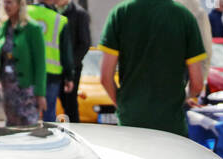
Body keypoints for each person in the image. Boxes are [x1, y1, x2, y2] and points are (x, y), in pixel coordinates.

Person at [99, 0, 205, 138]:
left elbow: (105, 78)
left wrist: (123, 105)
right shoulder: (185, 17)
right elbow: (197, 84)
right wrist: (182, 97)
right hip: (172, 127)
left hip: (131, 123)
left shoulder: (120, 13)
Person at [0, 0, 45, 127]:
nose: (6, 6)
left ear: (19, 4)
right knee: (11, 126)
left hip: (25, 89)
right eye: (5, 3)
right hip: (7, 88)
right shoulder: (3, 26)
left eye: (10, 2)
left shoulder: (32, 28)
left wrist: (40, 93)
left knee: (28, 126)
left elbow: (40, 63)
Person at [26, 1, 68, 123]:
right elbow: (65, 51)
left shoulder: (25, 12)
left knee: (28, 112)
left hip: (29, 72)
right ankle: (48, 134)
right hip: (52, 73)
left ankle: (30, 133)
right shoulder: (59, 19)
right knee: (49, 112)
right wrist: (69, 76)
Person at [52, 0, 89, 122]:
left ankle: (74, 131)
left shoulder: (79, 14)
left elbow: (84, 43)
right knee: (50, 105)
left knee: (70, 106)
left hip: (72, 69)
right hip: (52, 68)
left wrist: (69, 65)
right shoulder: (50, 11)